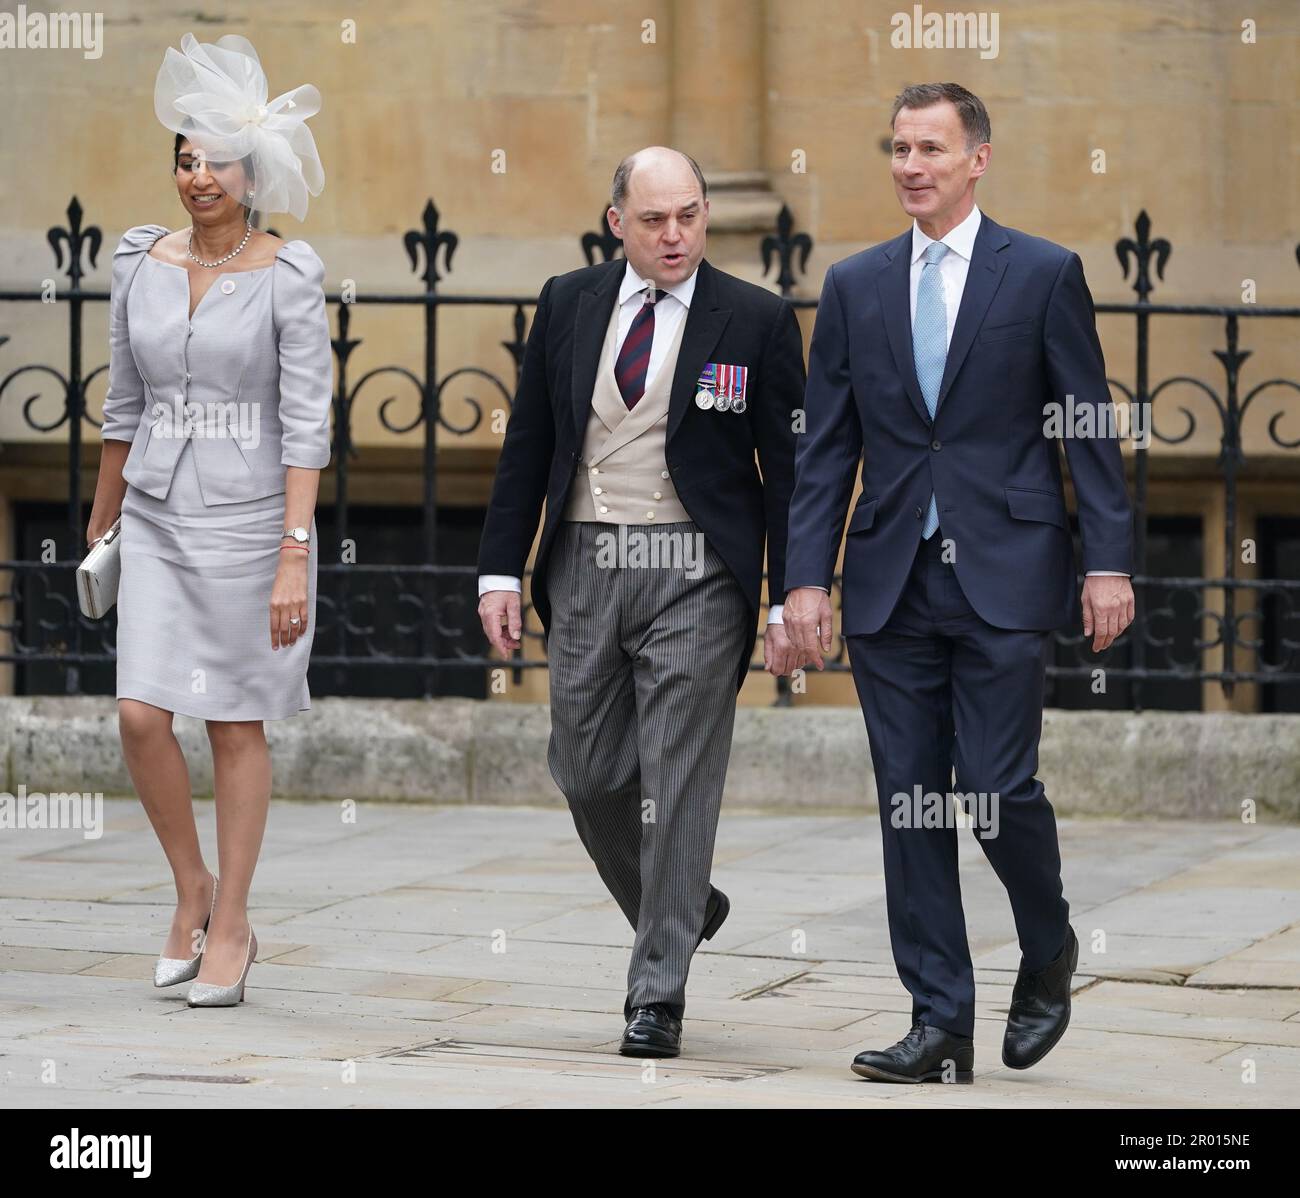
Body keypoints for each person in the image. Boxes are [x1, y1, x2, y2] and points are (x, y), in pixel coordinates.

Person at [784, 82, 1134, 1082]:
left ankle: (1049, 941)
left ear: (977, 157)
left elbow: (1086, 428)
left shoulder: (1042, 274)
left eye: (930, 148)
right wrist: (805, 579)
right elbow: (825, 451)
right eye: (898, 148)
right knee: (909, 803)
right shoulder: (854, 285)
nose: (910, 166)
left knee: (991, 788)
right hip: (891, 580)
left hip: (1006, 574)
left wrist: (1106, 560)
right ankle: (937, 1020)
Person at [476, 146, 805, 1057]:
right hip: (583, 557)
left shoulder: (757, 318)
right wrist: (499, 569)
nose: (675, 236)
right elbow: (528, 443)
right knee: (584, 769)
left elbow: (789, 472)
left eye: (691, 216)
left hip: (699, 568)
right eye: (655, 219)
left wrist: (789, 595)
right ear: (616, 220)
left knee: (676, 779)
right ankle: (686, 905)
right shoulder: (568, 302)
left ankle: (656, 992)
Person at [85, 33, 329, 1008]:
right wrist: (101, 527)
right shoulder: (137, 261)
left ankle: (232, 924)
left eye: (216, 160)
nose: (197, 175)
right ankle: (191, 884)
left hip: (249, 522)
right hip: (153, 513)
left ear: (252, 172)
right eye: (186, 158)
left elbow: (308, 424)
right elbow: (122, 405)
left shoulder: (288, 274)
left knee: (235, 719)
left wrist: (293, 557)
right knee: (141, 713)